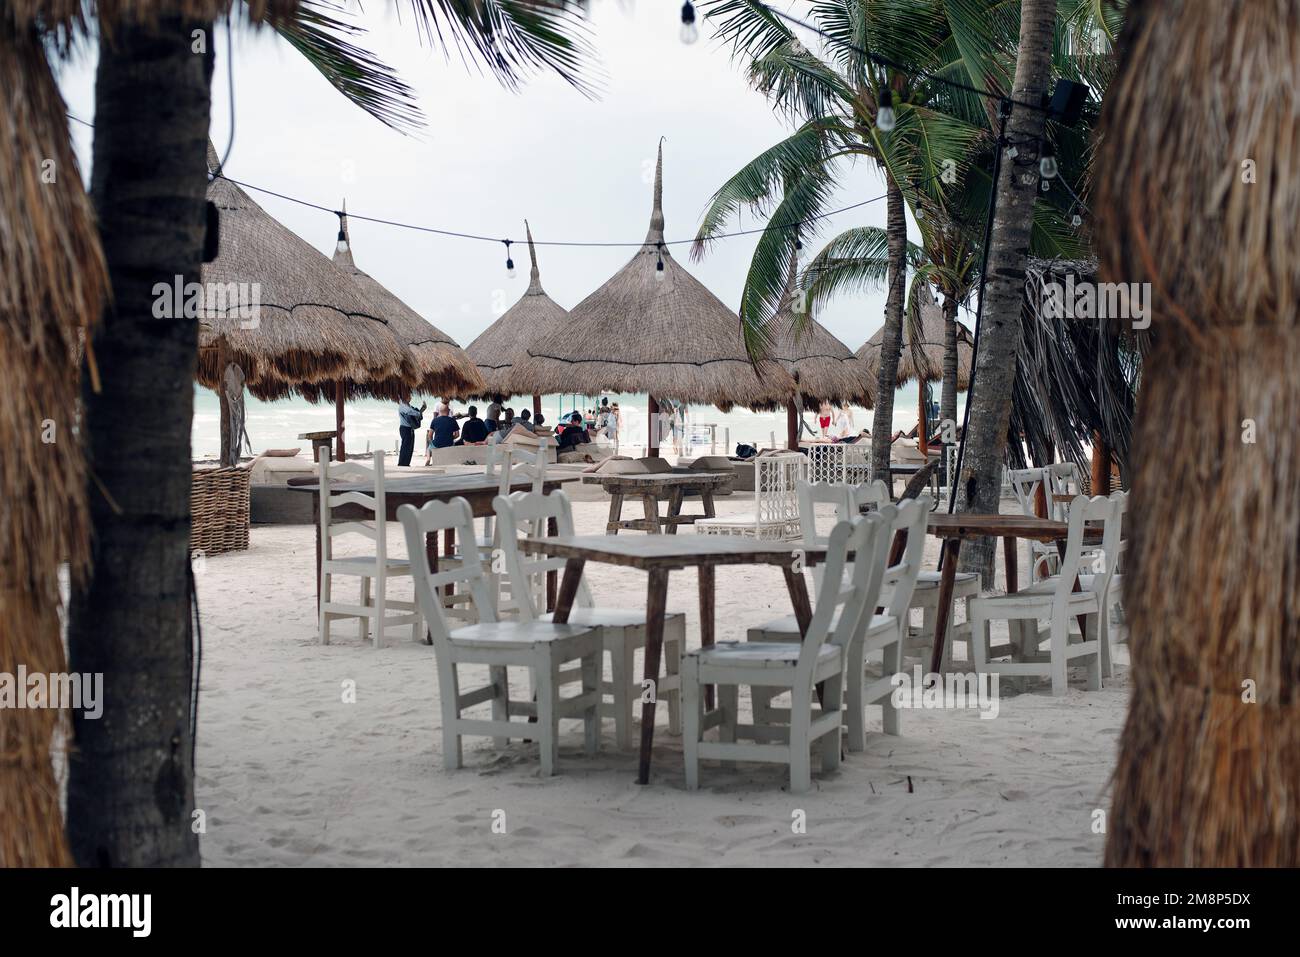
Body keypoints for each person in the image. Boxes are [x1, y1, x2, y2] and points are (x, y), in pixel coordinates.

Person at [396, 398, 426, 467]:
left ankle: (406, 463)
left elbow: (417, 416)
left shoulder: (409, 406)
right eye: (409, 396)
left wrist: (421, 410)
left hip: (410, 429)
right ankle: (402, 464)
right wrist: (419, 413)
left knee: (410, 447)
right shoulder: (403, 406)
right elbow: (409, 412)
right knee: (405, 446)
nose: (411, 397)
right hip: (405, 428)